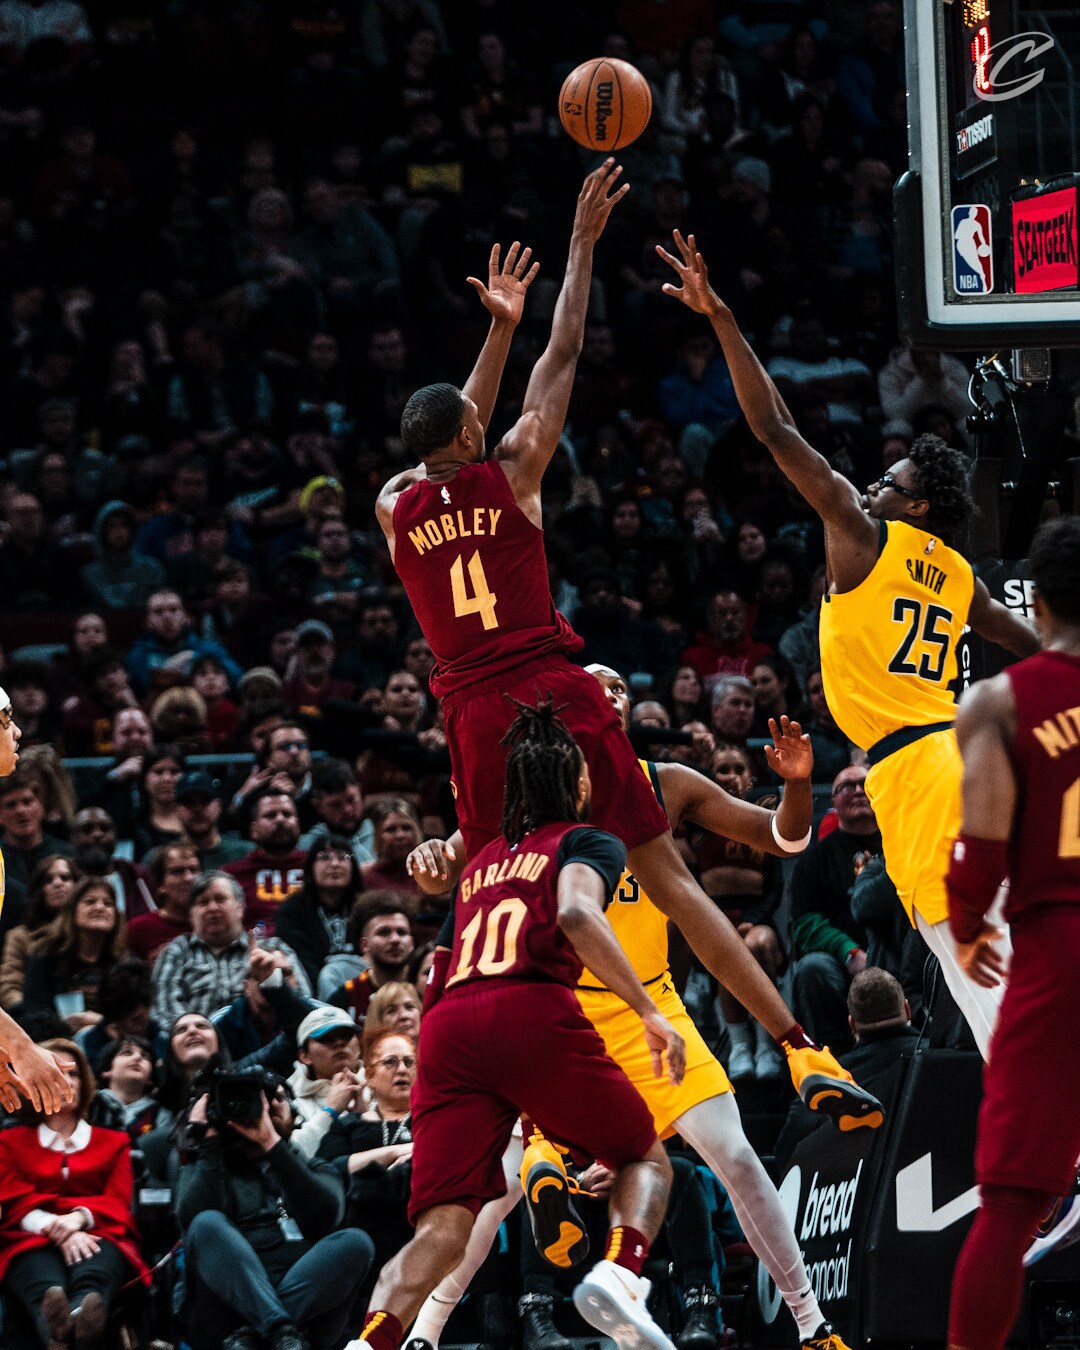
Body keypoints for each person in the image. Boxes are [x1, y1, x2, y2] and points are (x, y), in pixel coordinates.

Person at [376, 166, 867, 1131]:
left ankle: (496, 1111)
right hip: (548, 687)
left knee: (486, 908)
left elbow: (447, 429)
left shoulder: (394, 507)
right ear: (477, 432)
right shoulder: (515, 471)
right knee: (671, 878)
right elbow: (564, 354)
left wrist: (492, 334)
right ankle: (802, 1049)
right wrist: (580, 245)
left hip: (473, 715)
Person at [410, 671, 866, 1350]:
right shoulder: (521, 793)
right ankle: (423, 1332)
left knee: (736, 1154)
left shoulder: (665, 782)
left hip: (648, 1001)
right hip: (551, 1001)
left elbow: (784, 839)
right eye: (593, 685)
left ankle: (811, 1322)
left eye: (619, 685)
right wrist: (434, 862)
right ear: (564, 712)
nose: (609, 692)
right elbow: (452, 861)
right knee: (494, 1189)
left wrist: (799, 785)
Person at [655, 229, 1037, 1038]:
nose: (872, 483)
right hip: (959, 754)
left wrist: (723, 318)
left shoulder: (860, 535)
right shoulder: (960, 574)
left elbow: (775, 430)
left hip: (918, 774)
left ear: (919, 503)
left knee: (983, 976)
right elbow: (1037, 646)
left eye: (890, 481)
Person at [344, 698, 686, 1350]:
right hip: (526, 1002)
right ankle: (619, 1275)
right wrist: (646, 1010)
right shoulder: (589, 840)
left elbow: (435, 971)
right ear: (577, 785)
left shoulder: (480, 862)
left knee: (442, 1227)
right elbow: (580, 918)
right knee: (646, 1159)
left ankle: (371, 1340)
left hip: (447, 1028)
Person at [944, 516, 1080, 1347]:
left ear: (1040, 598)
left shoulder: (999, 701)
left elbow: (982, 848)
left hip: (1058, 942)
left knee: (1012, 1201)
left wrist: (965, 926)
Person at [177, 1071, 375, 1350]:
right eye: (257, 1101)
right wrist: (209, 1140)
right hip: (225, 1318)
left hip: (303, 1316)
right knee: (206, 1223)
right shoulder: (205, 1168)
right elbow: (193, 1222)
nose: (265, 1109)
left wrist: (271, 1142)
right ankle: (279, 1329)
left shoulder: (316, 1167)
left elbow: (325, 1217)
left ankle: (258, 1335)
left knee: (356, 1242)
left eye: (275, 1098)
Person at [0, 1039, 146, 1349]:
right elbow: (10, 1196)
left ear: (85, 1082)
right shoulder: (8, 1141)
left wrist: (78, 1220)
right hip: (29, 1237)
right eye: (52, 1070)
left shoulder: (115, 1141)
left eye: (73, 1073)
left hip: (99, 1233)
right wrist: (59, 1228)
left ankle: (74, 1325)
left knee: (94, 1278)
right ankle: (61, 1330)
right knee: (44, 1286)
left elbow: (118, 1200)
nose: (64, 1080)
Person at [790, 766, 882, 1053]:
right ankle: (836, 1059)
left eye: (864, 784)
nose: (857, 790)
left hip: (896, 952)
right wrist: (850, 952)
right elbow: (804, 924)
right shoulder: (813, 859)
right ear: (833, 802)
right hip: (839, 962)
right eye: (846, 786)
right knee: (812, 968)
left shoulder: (901, 844)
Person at [151, 871, 308, 1028]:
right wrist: (198, 1034)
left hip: (263, 1041)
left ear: (240, 907)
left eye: (220, 899)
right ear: (191, 915)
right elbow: (164, 1009)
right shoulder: (177, 951)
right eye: (203, 902)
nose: (212, 908)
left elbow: (304, 999)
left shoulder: (272, 948)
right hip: (197, 1044)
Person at [22, 877, 128, 1033]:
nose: (100, 907)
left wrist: (98, 1022)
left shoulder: (125, 965)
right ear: (72, 912)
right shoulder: (44, 957)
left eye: (108, 903)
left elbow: (133, 1021)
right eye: (90, 902)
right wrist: (65, 1025)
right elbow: (32, 1014)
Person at [275, 834, 364, 992]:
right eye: (324, 857)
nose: (335, 864)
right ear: (310, 867)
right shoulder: (292, 910)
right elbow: (301, 962)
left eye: (343, 857)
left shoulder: (366, 907)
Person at [0, 854, 79, 1009]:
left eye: (65, 878)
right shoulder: (19, 937)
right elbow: (9, 987)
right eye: (48, 880)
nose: (57, 883)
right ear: (39, 890)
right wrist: (32, 1015)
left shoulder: (89, 932)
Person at [286, 1005, 364, 1160]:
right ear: (304, 1056)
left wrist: (364, 1117)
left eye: (346, 1035)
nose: (339, 1042)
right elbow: (291, 1157)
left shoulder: (383, 1081)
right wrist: (330, 1112)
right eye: (326, 1038)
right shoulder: (289, 1098)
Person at [223, 790, 307, 933]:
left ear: (298, 825)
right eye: (270, 815)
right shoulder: (230, 875)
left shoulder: (317, 866)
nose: (280, 820)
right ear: (253, 829)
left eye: (287, 814)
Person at [332, 896, 415, 1023]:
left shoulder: (424, 987)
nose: (395, 939)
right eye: (384, 932)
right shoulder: (347, 997)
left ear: (411, 943)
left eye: (402, 932)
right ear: (364, 945)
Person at [126, 840, 200, 965]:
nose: (189, 878)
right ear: (160, 884)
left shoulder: (213, 922)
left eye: (194, 870)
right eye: (177, 871)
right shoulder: (138, 929)